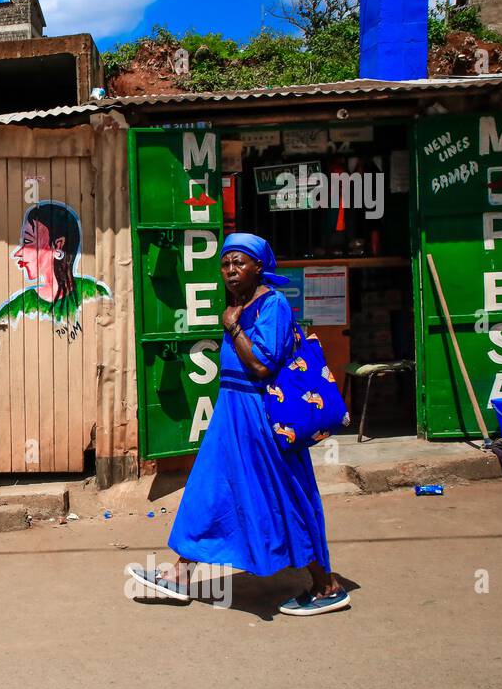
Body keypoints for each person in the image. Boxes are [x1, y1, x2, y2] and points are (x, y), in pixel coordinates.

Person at [126, 232, 349, 616]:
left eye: (239, 263)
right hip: (231, 414)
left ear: (258, 267)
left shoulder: (272, 305)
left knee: (281, 496)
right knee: (209, 488)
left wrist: (233, 327)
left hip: (261, 419)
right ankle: (181, 574)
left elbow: (262, 364)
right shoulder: (240, 306)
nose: (230, 271)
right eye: (226, 263)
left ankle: (326, 584)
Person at [0, 201, 109, 327]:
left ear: (58, 246)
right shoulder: (17, 308)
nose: (18, 253)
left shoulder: (94, 294)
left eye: (27, 241)